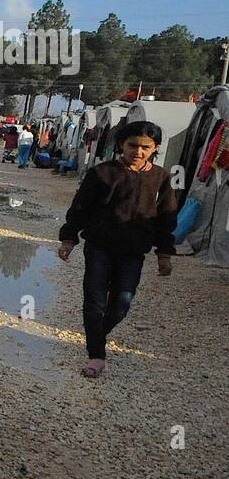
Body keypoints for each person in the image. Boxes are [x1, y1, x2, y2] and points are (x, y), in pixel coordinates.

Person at [58, 121, 176, 379]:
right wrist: (69, 239)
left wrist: (164, 254)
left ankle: (95, 334)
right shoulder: (102, 173)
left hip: (134, 251)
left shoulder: (161, 178)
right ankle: (96, 356)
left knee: (122, 303)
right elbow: (80, 208)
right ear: (121, 144)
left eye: (146, 147)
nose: (138, 151)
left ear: (155, 148)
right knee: (94, 300)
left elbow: (167, 217)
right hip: (100, 245)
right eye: (132, 145)